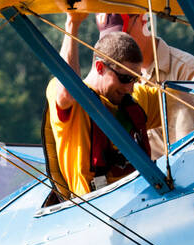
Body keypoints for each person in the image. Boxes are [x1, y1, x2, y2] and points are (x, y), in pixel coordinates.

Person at [44, 11, 163, 199]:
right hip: (96, 213)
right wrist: (72, 24)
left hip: (143, 203)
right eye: (125, 78)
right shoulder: (73, 103)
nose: (130, 88)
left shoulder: (137, 96)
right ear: (100, 67)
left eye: (135, 79)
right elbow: (67, 91)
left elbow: (193, 100)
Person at [98, 11, 194, 156]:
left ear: (143, 20)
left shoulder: (185, 68)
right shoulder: (115, 79)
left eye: (124, 33)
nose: (119, 44)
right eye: (112, 40)